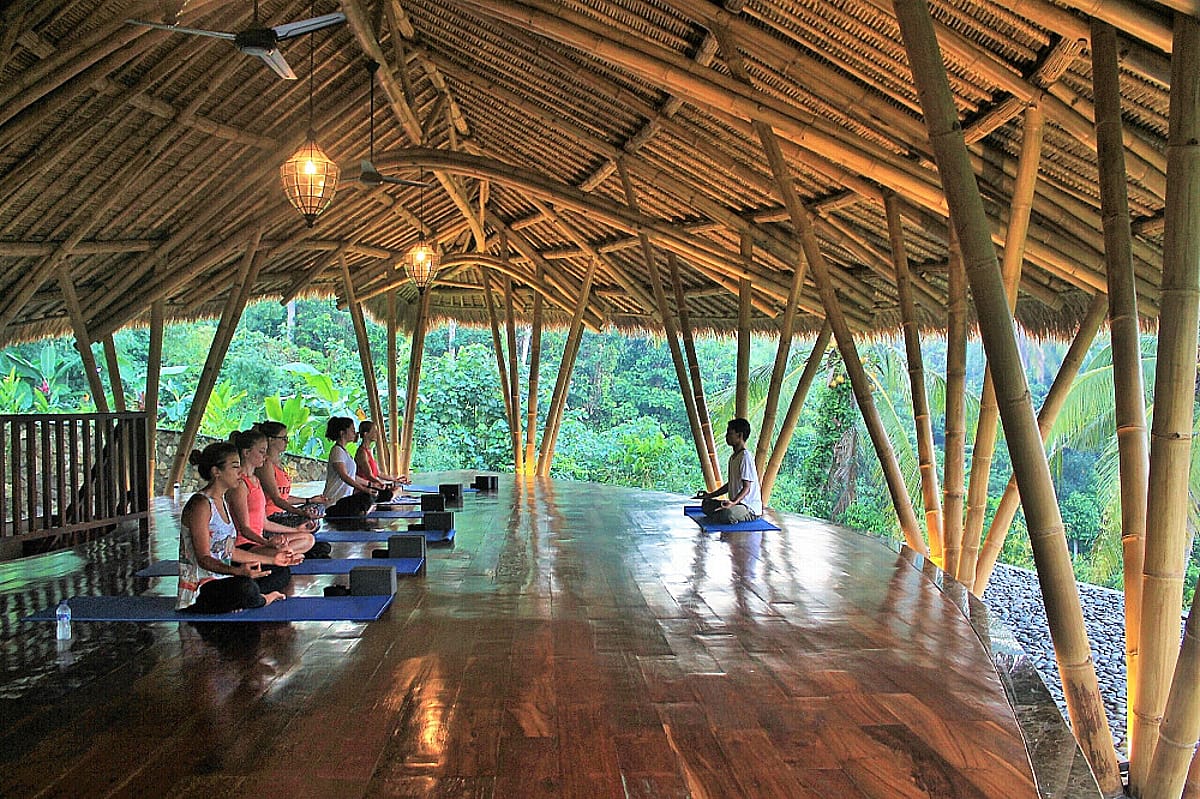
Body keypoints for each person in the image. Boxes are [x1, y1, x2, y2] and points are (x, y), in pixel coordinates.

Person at [177, 442, 301, 613]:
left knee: (280, 572)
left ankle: (248, 598)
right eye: (235, 467)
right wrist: (237, 571)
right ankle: (261, 599)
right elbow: (204, 558)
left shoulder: (222, 501)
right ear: (216, 472)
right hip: (201, 589)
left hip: (227, 578)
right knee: (245, 588)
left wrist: (274, 560)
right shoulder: (200, 504)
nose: (241, 472)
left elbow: (229, 551)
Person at [227, 429, 319, 559]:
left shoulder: (256, 481)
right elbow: (244, 529)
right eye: (261, 452)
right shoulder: (241, 485)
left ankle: (283, 555)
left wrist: (297, 530)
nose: (265, 456)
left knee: (308, 539)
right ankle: (281, 556)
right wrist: (267, 543)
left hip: (260, 542)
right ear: (246, 452)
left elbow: (265, 523)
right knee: (285, 551)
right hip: (245, 546)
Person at [695, 418, 763, 524]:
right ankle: (721, 513)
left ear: (740, 435)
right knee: (706, 504)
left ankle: (724, 515)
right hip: (735, 504)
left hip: (748, 507)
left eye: (729, 433)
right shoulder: (733, 457)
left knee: (726, 514)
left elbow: (747, 488)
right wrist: (709, 495)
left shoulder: (745, 457)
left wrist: (733, 502)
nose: (726, 436)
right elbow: (730, 484)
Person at [255, 421, 324, 526]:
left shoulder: (279, 464)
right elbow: (277, 499)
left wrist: (309, 500)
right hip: (271, 517)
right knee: (311, 522)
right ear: (271, 440)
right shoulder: (265, 464)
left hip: (281, 512)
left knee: (318, 507)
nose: (287, 442)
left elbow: (284, 497)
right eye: (283, 438)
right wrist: (300, 512)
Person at [323, 416, 376, 503]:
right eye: (352, 430)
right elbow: (344, 476)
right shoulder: (337, 451)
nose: (355, 433)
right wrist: (364, 489)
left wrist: (370, 484)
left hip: (344, 499)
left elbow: (352, 476)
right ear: (342, 433)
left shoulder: (343, 451)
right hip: (335, 500)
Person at [353, 420, 409, 493]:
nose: (377, 434)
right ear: (366, 434)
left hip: (373, 487)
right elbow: (369, 475)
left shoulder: (369, 450)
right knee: (396, 491)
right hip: (366, 490)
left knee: (398, 488)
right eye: (374, 432)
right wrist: (382, 484)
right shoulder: (362, 452)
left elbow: (378, 473)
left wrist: (395, 480)